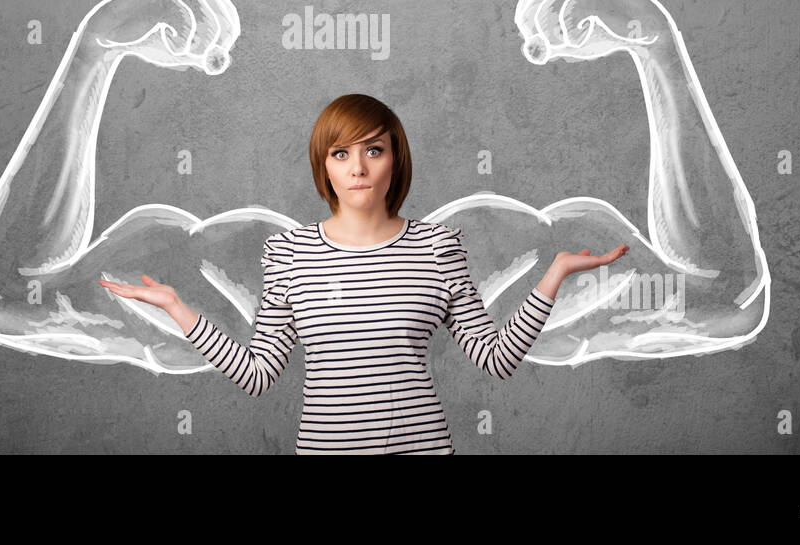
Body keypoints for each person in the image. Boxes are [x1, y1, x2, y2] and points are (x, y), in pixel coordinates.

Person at [100, 93, 627, 454]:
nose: (358, 167)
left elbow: (494, 359)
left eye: (374, 150)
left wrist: (554, 274)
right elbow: (258, 374)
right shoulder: (288, 252)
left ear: (394, 159)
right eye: (341, 153)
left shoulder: (438, 246)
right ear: (323, 164)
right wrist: (177, 307)